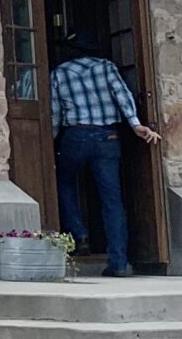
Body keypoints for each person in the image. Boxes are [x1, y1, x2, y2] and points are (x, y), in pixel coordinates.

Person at [49, 34, 160, 277]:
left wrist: (50, 140)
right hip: (108, 136)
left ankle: (79, 235)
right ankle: (118, 262)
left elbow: (55, 112)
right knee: (112, 200)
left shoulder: (59, 72)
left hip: (76, 134)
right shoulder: (106, 67)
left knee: (62, 181)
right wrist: (135, 124)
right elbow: (122, 95)